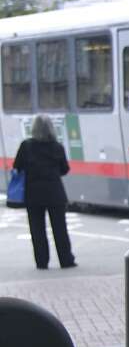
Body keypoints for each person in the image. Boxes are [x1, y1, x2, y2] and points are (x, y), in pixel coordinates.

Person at [14, 115, 75, 270]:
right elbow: (65, 169)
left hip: (33, 194)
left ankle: (42, 262)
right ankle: (66, 260)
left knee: (37, 229)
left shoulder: (26, 146)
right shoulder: (57, 147)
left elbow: (18, 166)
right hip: (55, 193)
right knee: (60, 228)